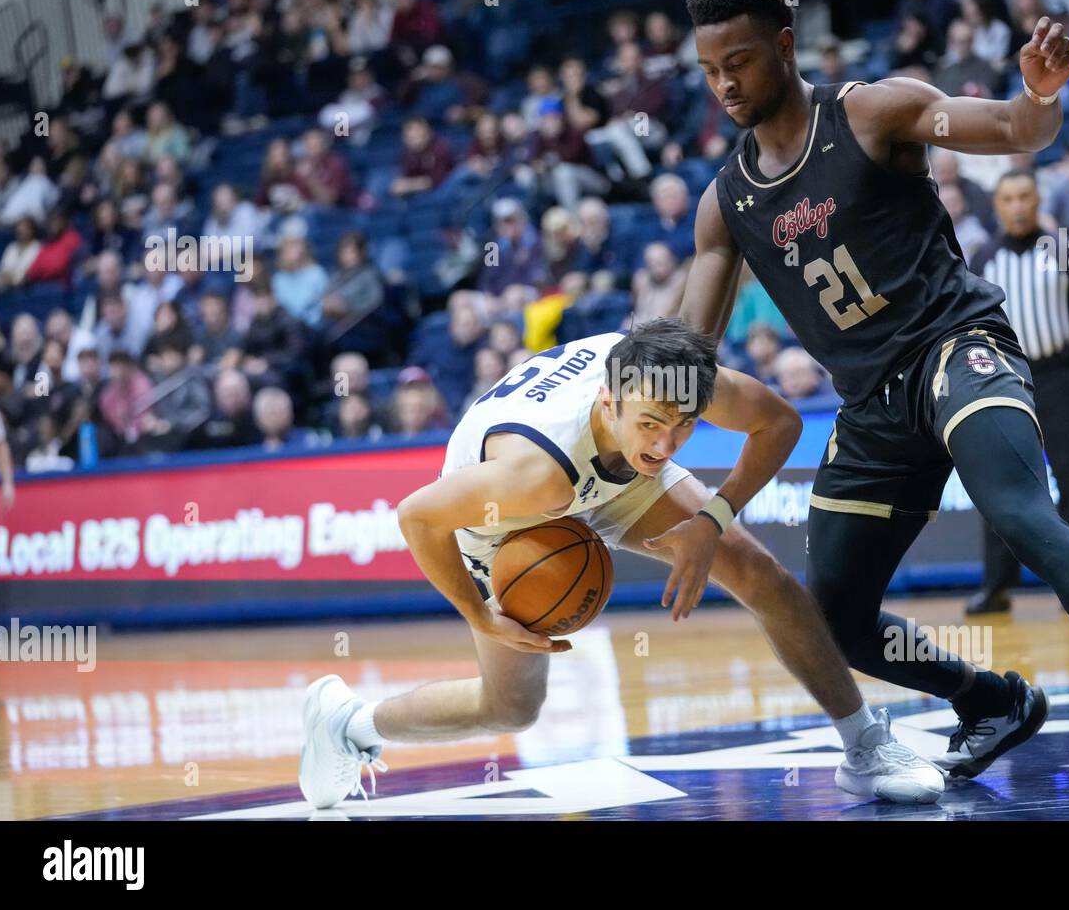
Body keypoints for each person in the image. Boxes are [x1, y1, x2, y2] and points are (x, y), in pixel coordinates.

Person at [678, 0, 1069, 816]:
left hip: (954, 349)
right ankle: (988, 698)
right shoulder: (725, 204)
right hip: (870, 405)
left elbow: (1015, 125)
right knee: (828, 615)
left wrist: (1039, 95)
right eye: (711, 70)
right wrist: (619, 402)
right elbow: (688, 352)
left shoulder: (874, 111)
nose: (725, 84)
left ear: (785, 47)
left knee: (1019, 513)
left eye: (742, 63)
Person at [299, 320, 946, 810]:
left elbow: (776, 424)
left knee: (757, 572)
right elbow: (417, 515)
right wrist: (480, 612)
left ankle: (864, 744)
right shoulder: (533, 475)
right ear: (609, 402)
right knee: (512, 707)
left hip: (605, 468)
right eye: (652, 425)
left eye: (683, 427)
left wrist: (709, 521)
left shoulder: (673, 383)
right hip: (506, 517)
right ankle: (349, 724)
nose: (666, 446)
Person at [965, 170, 1069, 614]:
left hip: (1061, 377)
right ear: (998, 205)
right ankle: (998, 585)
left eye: (1025, 196)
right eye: (1008, 198)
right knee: (999, 484)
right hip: (1005, 381)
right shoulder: (984, 258)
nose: (1018, 205)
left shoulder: (1064, 249)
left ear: (1038, 199)